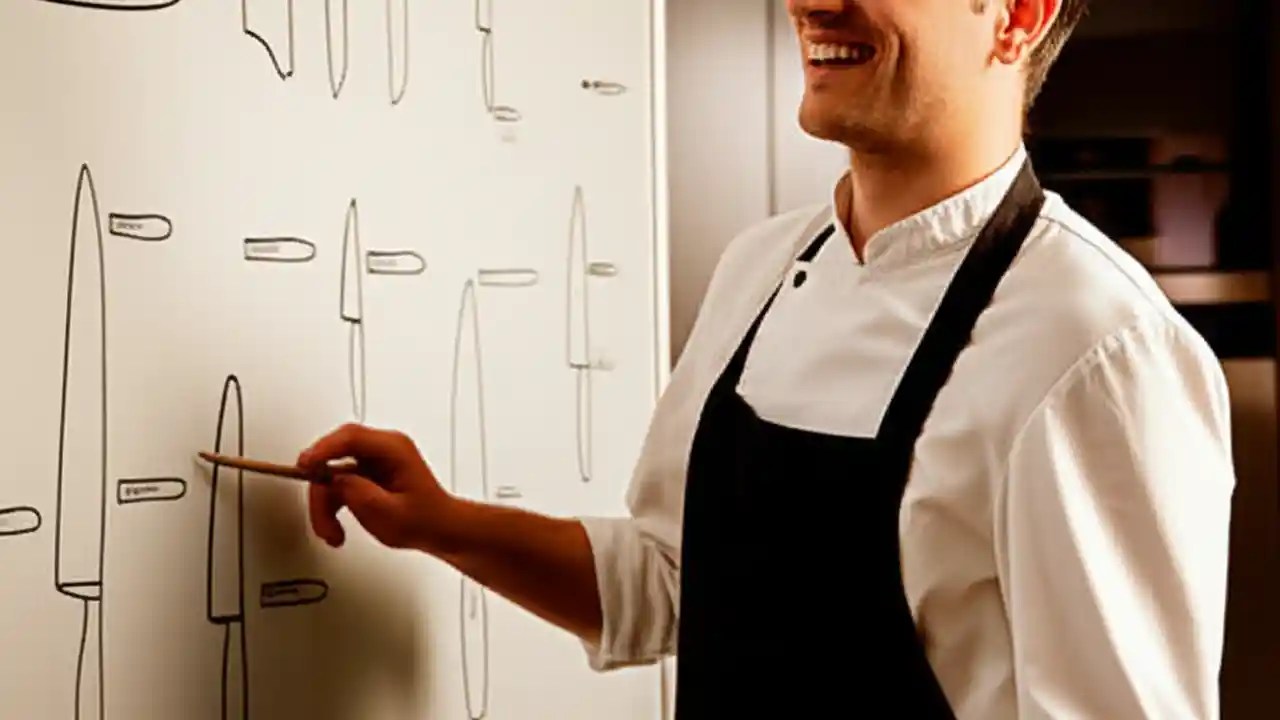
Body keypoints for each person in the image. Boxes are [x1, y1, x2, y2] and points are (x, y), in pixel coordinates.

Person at [298, 0, 1237, 717]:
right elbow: (670, 580)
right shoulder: (763, 265)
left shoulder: (1097, 348)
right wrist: (440, 522)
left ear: (1018, 15)